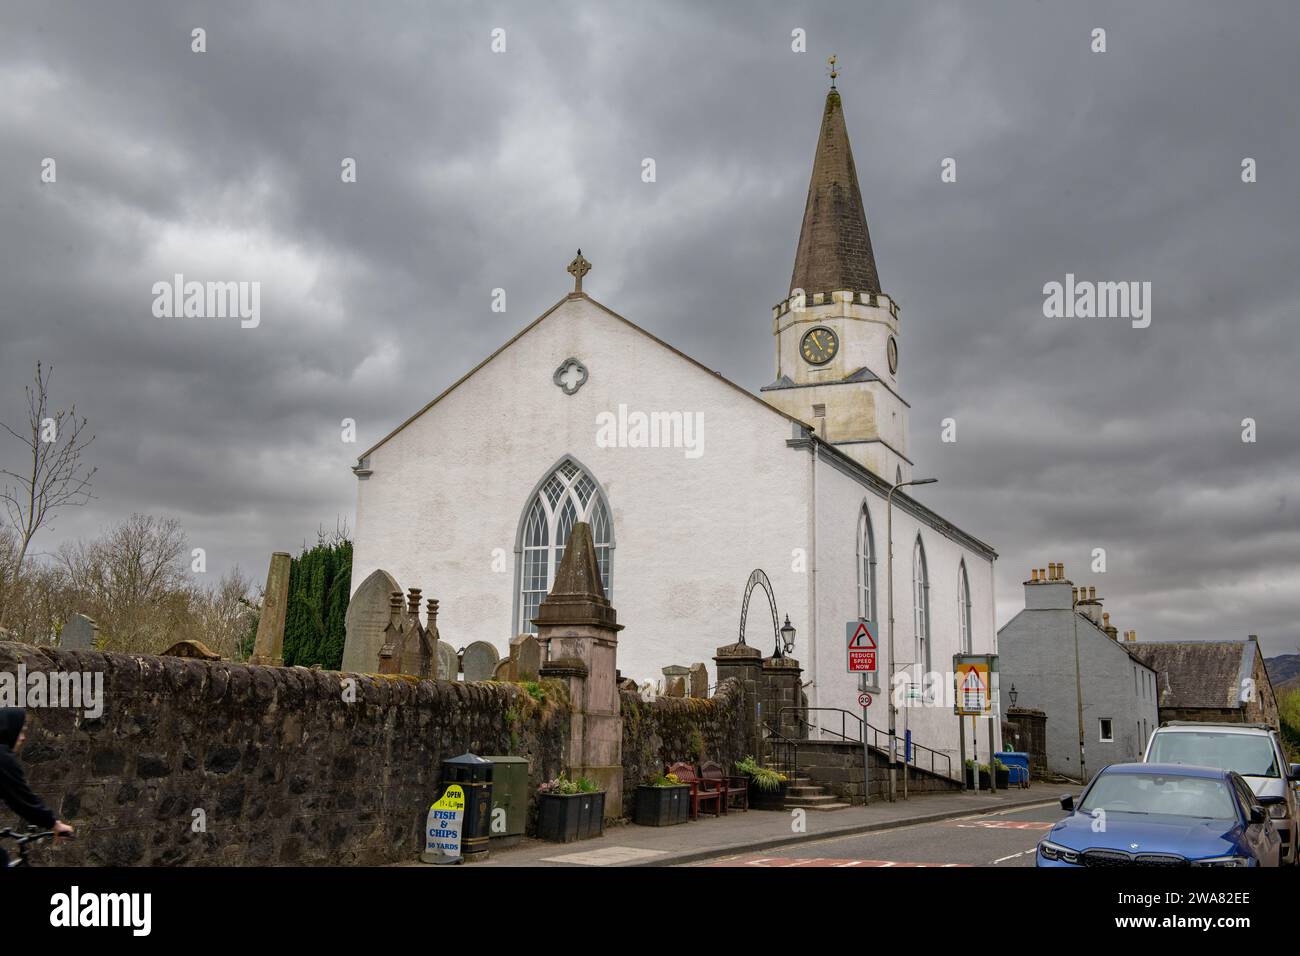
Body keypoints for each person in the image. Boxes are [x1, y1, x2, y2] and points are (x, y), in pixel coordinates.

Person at [0, 708, 74, 867]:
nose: (23, 737)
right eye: (20, 732)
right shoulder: (2, 758)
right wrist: (55, 824)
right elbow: (22, 799)